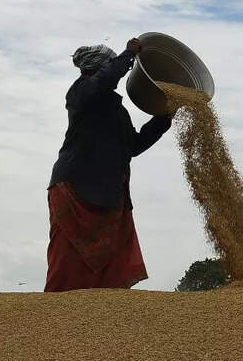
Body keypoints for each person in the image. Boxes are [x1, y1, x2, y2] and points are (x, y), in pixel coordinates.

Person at [44, 38, 175, 292]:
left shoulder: (116, 110)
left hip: (109, 191)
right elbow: (104, 81)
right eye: (110, 65)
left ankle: (107, 310)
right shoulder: (80, 93)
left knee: (115, 255)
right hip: (75, 188)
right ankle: (57, 311)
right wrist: (128, 55)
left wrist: (164, 117)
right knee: (69, 255)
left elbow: (133, 146)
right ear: (96, 69)